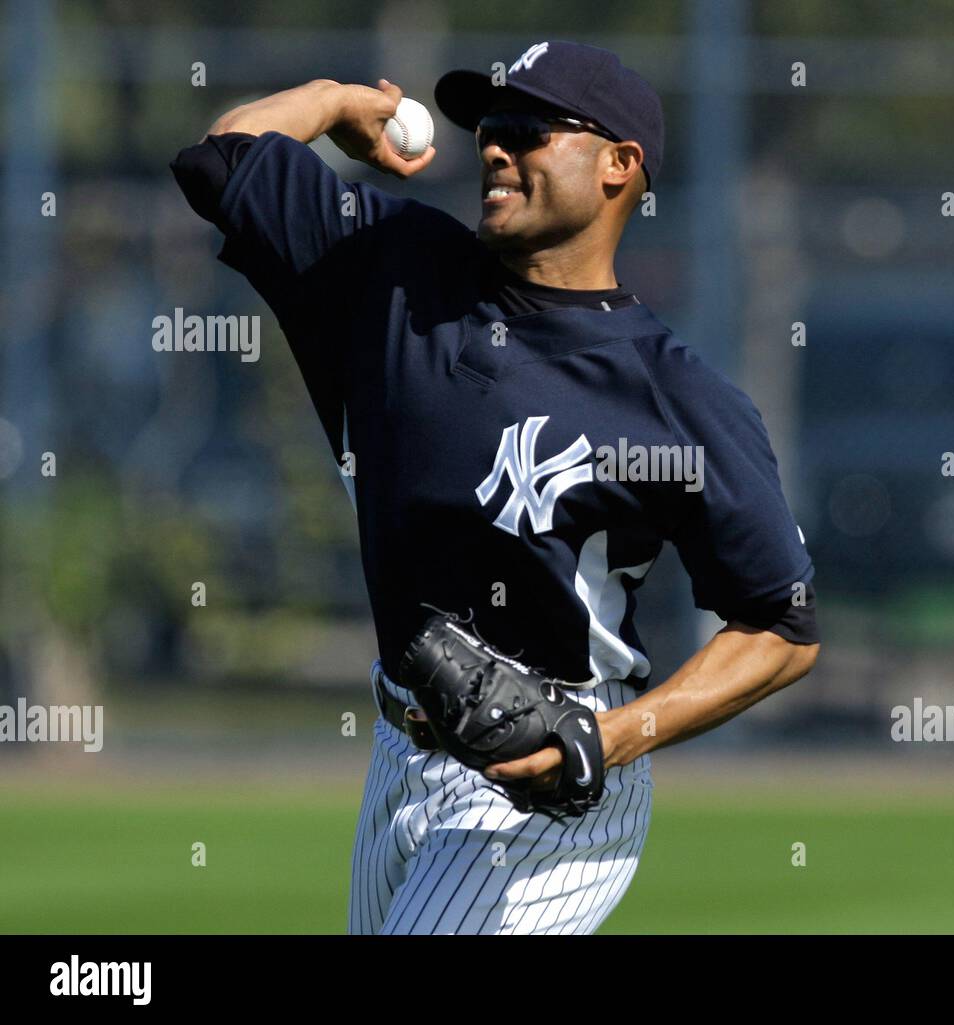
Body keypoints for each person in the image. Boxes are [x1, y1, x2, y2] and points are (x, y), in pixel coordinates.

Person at [171, 40, 818, 935]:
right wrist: (331, 101)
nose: (493, 147)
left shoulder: (675, 398)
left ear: (619, 167)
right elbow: (223, 156)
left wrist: (610, 741)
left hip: (551, 796)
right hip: (398, 747)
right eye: (488, 127)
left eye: (528, 129)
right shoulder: (396, 268)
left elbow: (782, 628)